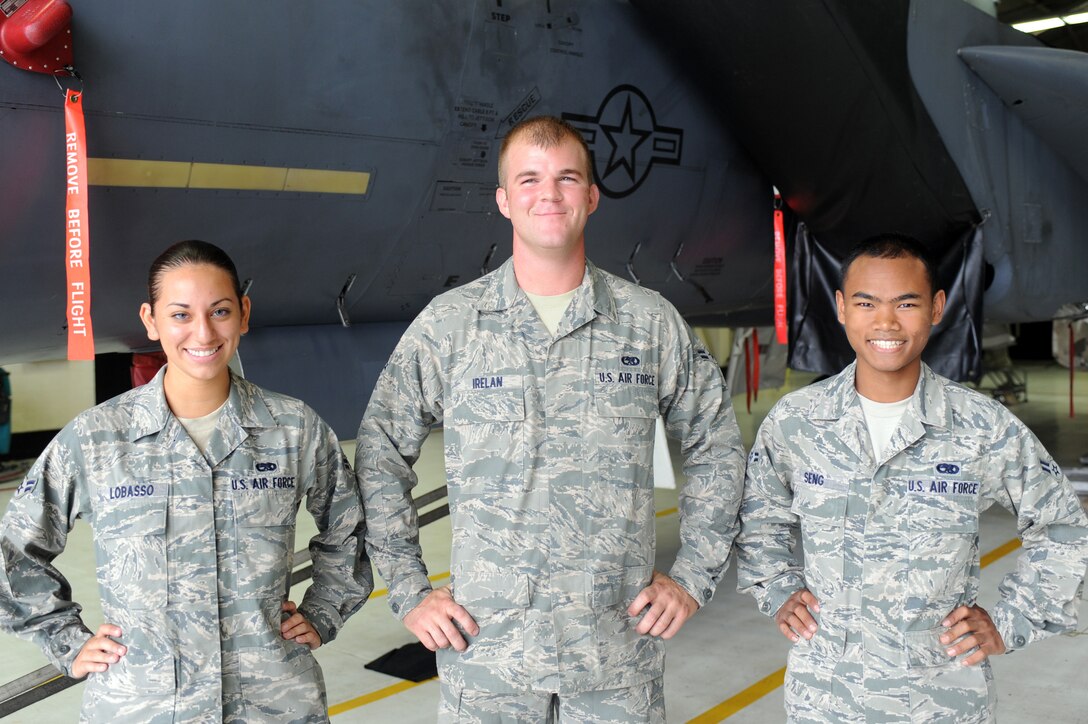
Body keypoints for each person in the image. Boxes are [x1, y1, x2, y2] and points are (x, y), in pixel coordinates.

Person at [356, 115, 745, 722]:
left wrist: (692, 575)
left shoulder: (647, 323)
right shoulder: (451, 326)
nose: (550, 193)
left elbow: (716, 445)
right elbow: (380, 447)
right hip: (488, 661)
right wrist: (408, 590)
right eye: (530, 178)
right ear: (504, 200)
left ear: (591, 196)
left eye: (567, 178)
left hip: (615, 660)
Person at [0, 240, 372, 722]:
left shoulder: (294, 429)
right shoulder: (96, 439)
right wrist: (65, 639)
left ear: (243, 313)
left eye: (219, 311)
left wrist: (324, 610)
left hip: (271, 703)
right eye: (180, 314)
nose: (202, 331)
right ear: (151, 320)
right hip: (143, 706)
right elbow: (15, 550)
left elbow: (351, 526)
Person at [736, 234, 1088, 723]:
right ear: (840, 308)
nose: (885, 322)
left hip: (942, 700)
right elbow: (759, 519)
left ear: (937, 307)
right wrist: (776, 588)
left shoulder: (980, 427)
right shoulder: (797, 421)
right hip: (826, 699)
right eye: (866, 303)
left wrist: (1012, 621)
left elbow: (1064, 527)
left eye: (906, 303)